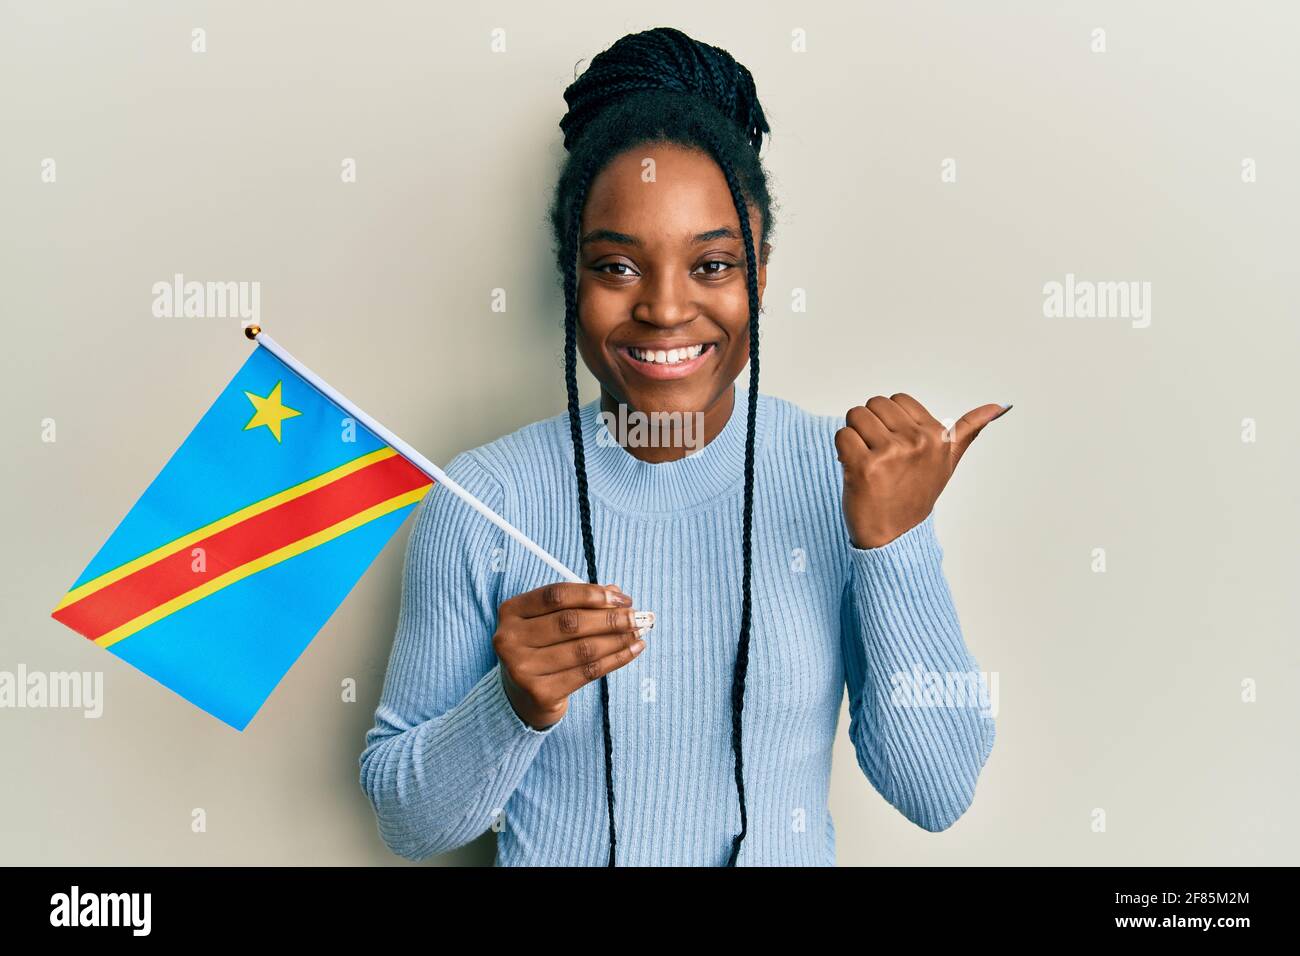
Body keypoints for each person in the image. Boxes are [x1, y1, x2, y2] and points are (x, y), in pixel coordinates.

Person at [359, 26, 1003, 867]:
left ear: (760, 275)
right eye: (617, 267)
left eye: (712, 265)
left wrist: (895, 542)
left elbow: (937, 792)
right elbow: (408, 825)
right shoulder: (487, 499)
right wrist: (512, 704)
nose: (665, 310)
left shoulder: (845, 478)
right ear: (570, 278)